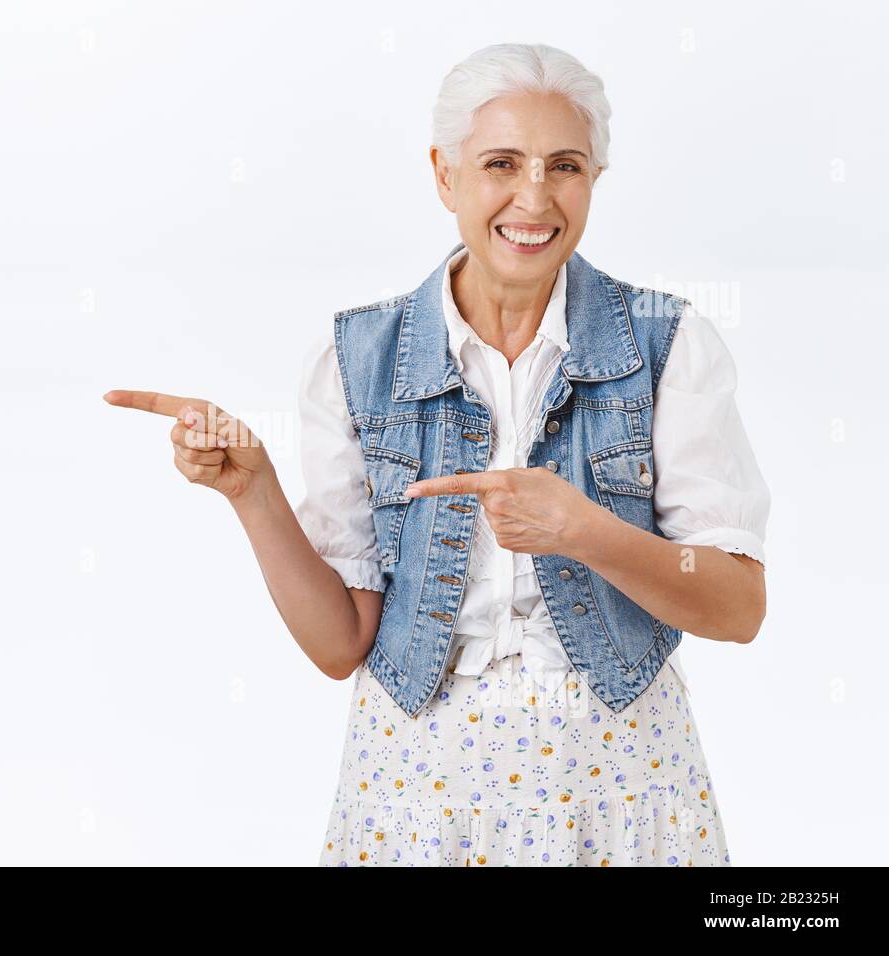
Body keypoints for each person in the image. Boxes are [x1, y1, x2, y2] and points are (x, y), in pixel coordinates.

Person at [104, 42, 769, 867]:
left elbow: (737, 605)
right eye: (501, 163)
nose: (534, 196)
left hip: (624, 787)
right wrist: (254, 492)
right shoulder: (358, 357)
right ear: (445, 175)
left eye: (564, 165)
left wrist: (584, 531)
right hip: (416, 796)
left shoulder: (668, 344)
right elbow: (340, 643)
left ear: (594, 178)